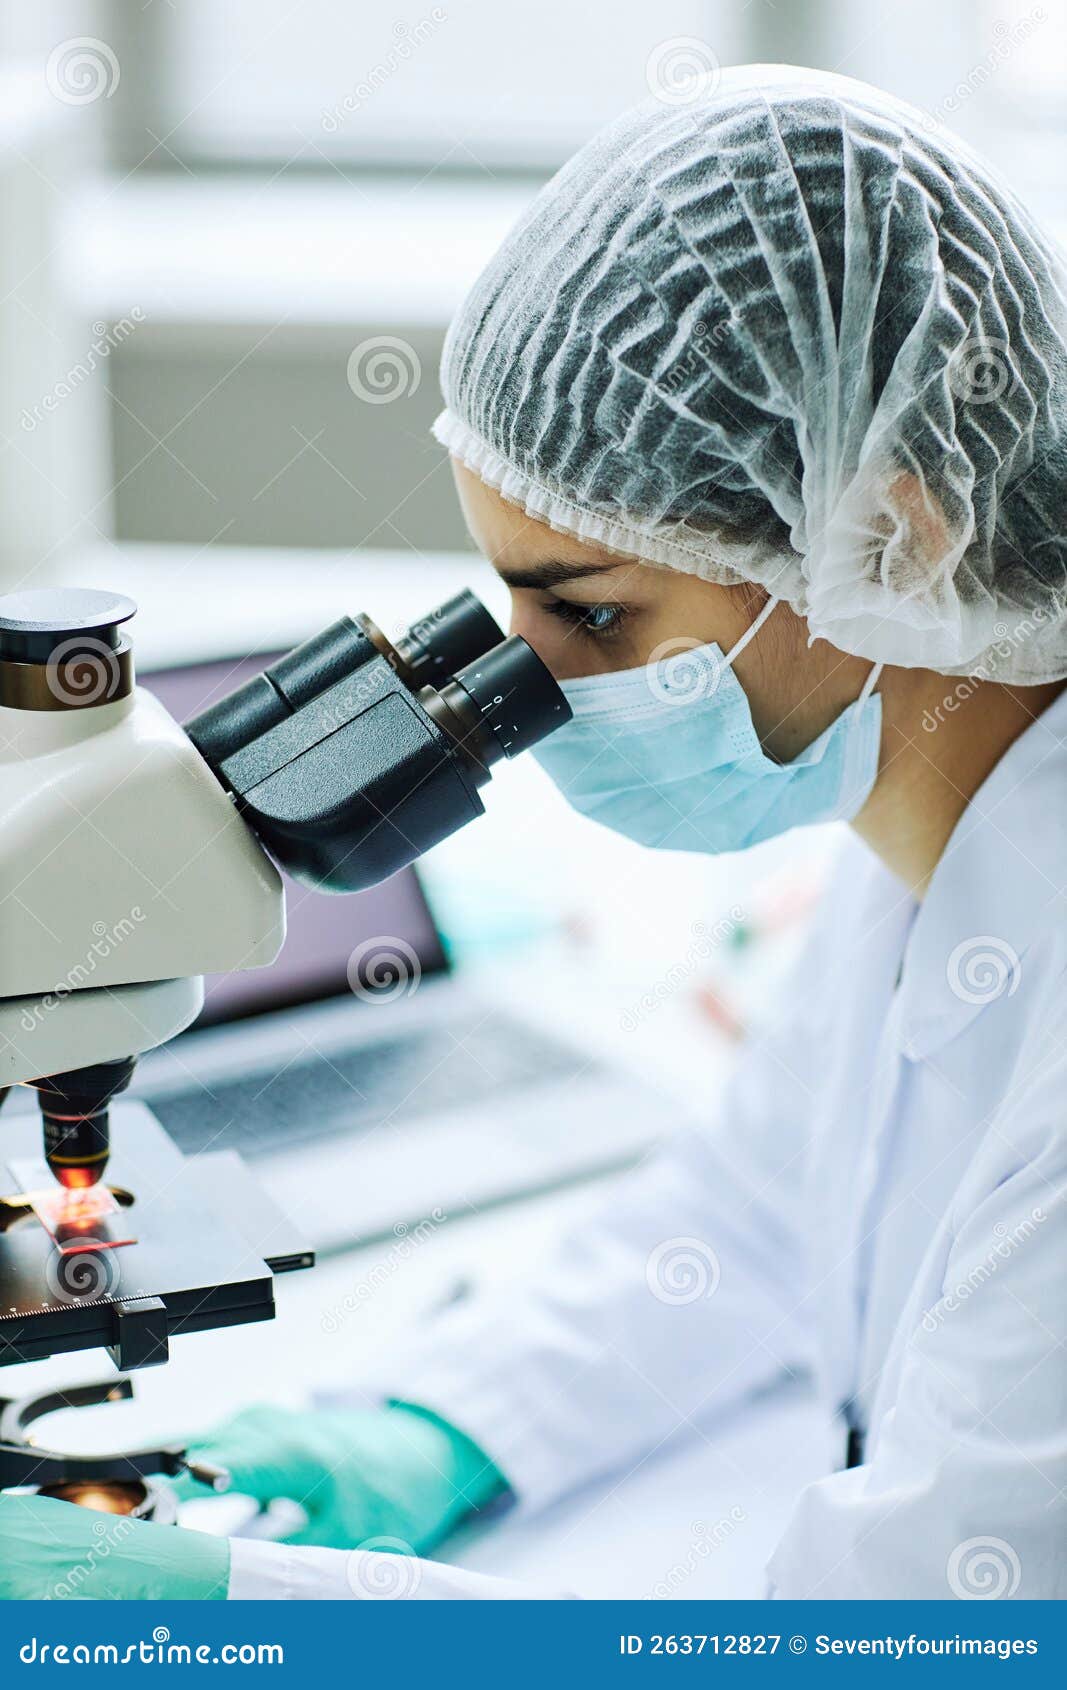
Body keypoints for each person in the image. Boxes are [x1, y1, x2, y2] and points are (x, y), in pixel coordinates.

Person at [4, 63, 1065, 1602]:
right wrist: (434, 1423)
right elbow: (752, 1214)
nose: (524, 685)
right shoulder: (929, 805)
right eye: (503, 601)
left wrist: (229, 1611)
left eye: (588, 609)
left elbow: (900, 1642)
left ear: (892, 540)